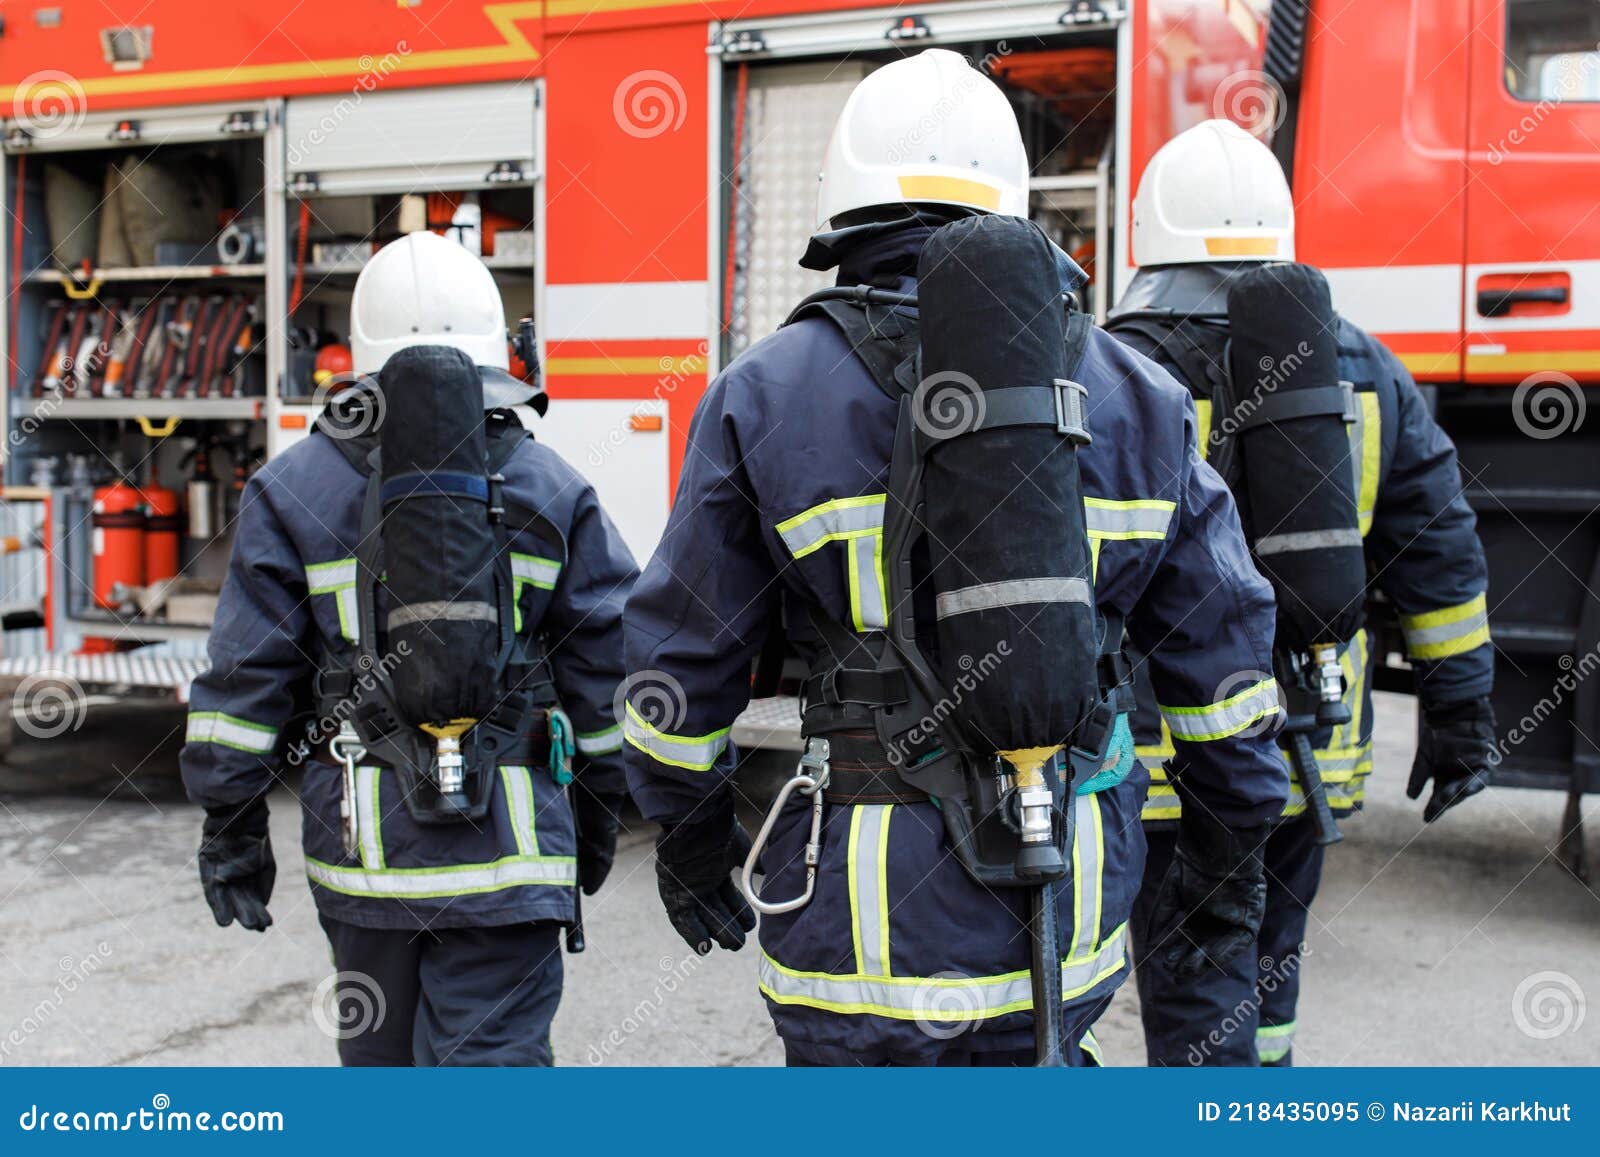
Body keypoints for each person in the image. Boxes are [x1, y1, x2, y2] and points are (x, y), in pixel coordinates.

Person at [621, 50, 1289, 1067]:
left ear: (843, 202)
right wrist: (1227, 859)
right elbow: (1224, 664)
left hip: (855, 929)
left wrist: (687, 834)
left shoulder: (761, 393)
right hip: (1062, 914)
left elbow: (679, 659)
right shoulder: (1137, 395)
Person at [180, 232, 638, 1066]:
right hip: (512, 862)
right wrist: (604, 807)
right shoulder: (552, 485)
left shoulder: (294, 488)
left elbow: (244, 680)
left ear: (361, 356)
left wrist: (231, 825)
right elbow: (613, 677)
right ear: (495, 349)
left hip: (363, 865)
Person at [1107, 119, 1496, 1067]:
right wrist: (1462, 706)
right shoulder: (1360, 366)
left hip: (1169, 759)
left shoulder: (1112, 367)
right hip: (1308, 748)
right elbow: (1437, 543)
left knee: (1190, 970)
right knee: (1268, 964)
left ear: (1147, 231)